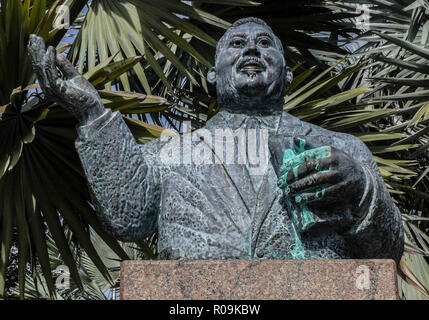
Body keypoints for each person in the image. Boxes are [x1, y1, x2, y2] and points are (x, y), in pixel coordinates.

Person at [28, 17, 403, 262]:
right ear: (211, 75)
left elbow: (387, 251)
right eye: (237, 44)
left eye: (265, 43)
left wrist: (363, 191)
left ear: (287, 76)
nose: (252, 49)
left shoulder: (341, 151)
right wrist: (93, 113)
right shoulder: (170, 155)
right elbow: (128, 219)